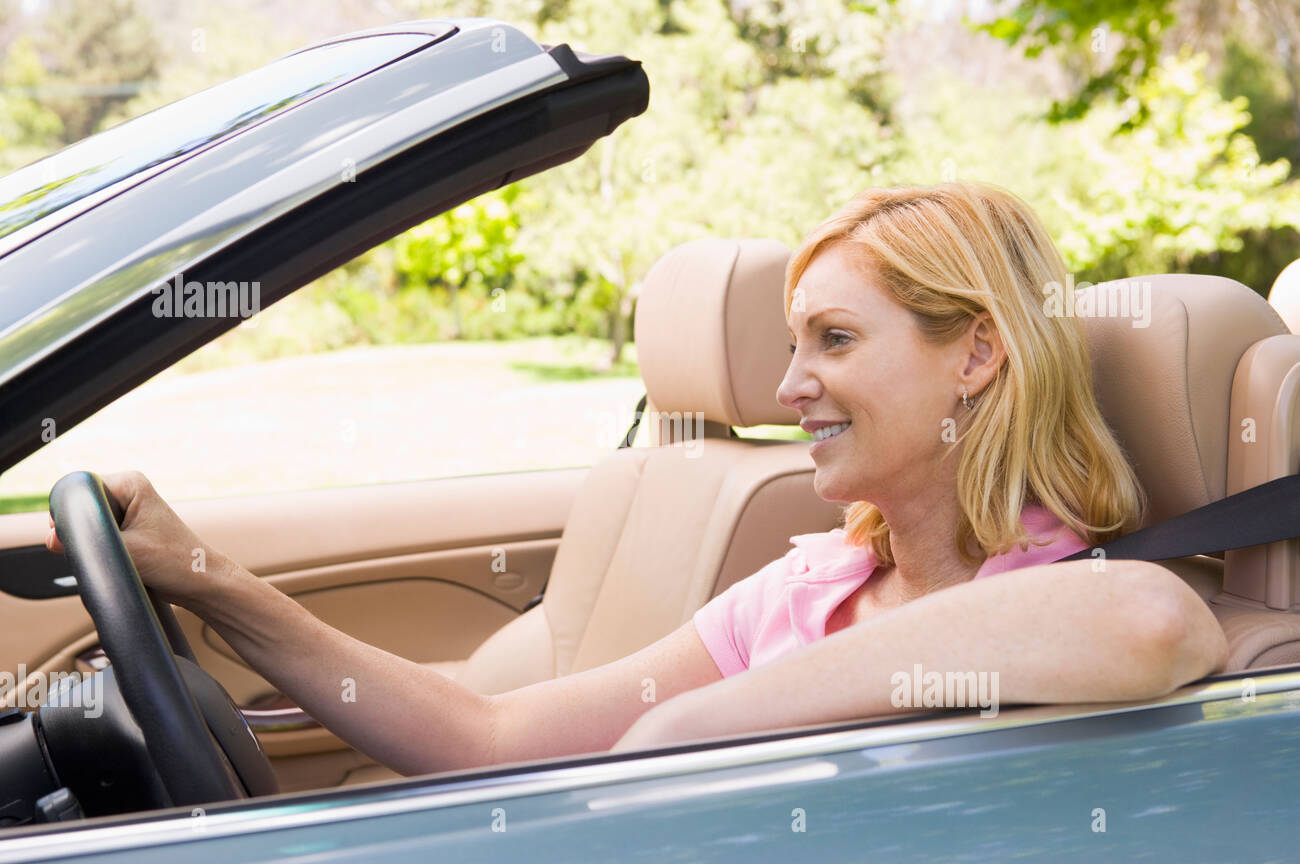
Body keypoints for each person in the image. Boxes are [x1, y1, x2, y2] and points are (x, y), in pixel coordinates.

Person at [46, 182, 1228, 776]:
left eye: (834, 340)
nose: (787, 386)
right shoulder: (808, 587)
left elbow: (1149, 616)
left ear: (975, 351)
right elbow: (490, 735)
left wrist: (697, 723)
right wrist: (205, 576)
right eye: (789, 343)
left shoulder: (1071, 588)